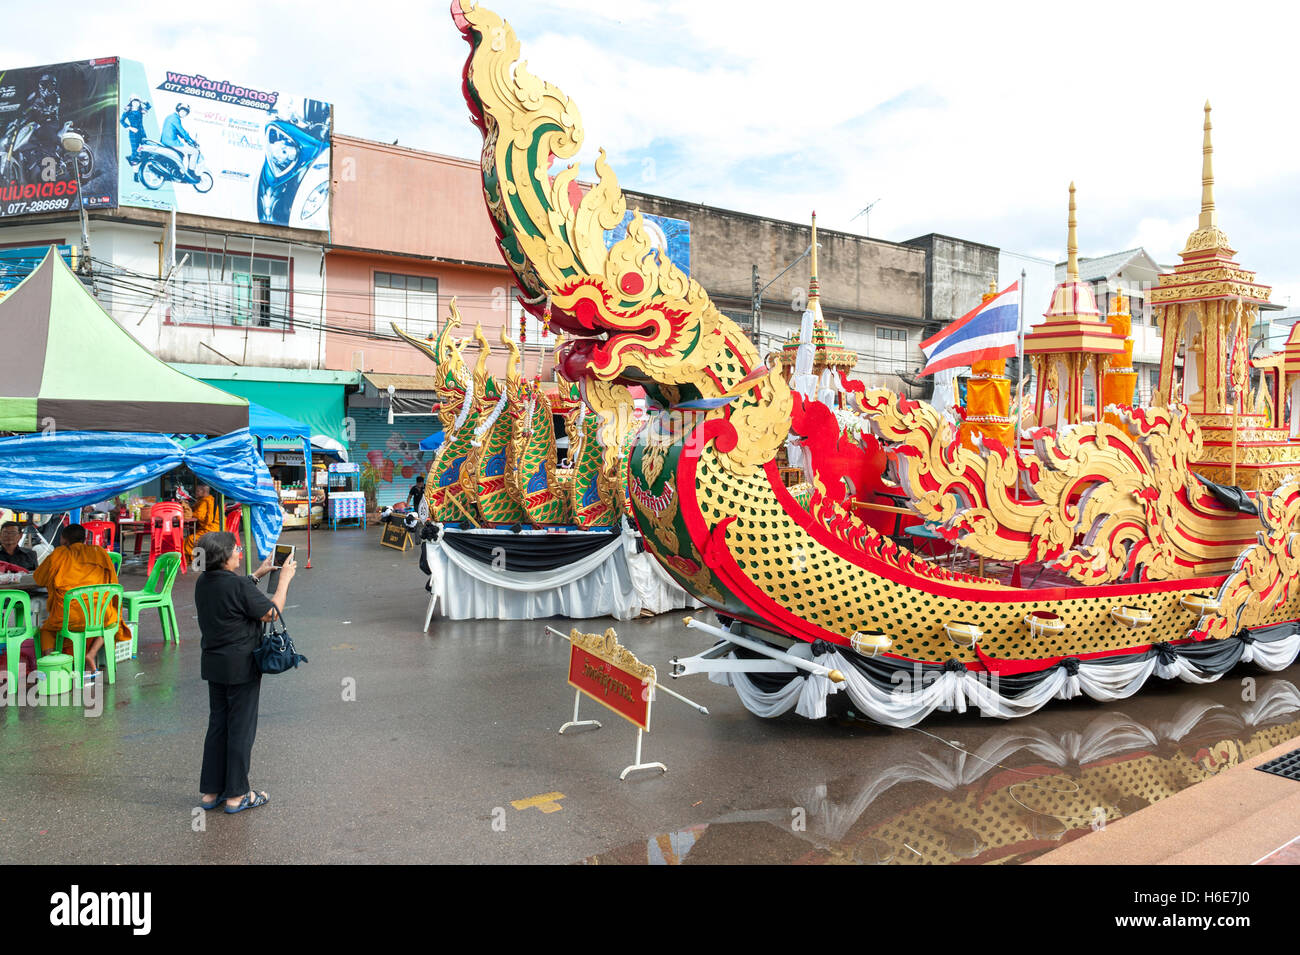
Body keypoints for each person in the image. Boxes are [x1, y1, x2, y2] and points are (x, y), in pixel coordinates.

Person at [195, 532, 295, 814]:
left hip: (214, 665)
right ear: (225, 557)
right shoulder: (237, 587)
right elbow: (272, 613)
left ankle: (211, 791)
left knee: (218, 726)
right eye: (236, 549)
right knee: (240, 729)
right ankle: (237, 795)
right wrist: (284, 579)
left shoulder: (204, 582)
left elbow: (234, 594)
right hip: (241, 666)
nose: (239, 552)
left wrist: (257, 574)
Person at [33, 523, 131, 679]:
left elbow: (39, 579)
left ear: (63, 540)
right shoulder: (99, 552)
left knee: (46, 630)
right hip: (99, 615)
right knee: (114, 619)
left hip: (68, 618)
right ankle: (91, 654)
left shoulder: (59, 554)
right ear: (85, 539)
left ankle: (52, 665)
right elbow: (113, 581)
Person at [183, 483, 221, 565]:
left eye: (197, 491)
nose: (195, 493)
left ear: (204, 492)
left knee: (190, 539)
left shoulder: (206, 501)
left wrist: (190, 512)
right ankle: (191, 559)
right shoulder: (206, 500)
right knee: (190, 537)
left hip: (211, 529)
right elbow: (197, 509)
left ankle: (189, 561)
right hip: (214, 527)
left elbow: (199, 516)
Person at [161, 102, 199, 177]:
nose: (184, 113)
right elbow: (182, 131)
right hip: (172, 142)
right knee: (195, 152)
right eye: (183, 111)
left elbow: (177, 131)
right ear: (178, 110)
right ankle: (191, 172)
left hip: (164, 141)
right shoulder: (175, 118)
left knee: (181, 154)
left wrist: (185, 138)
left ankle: (176, 170)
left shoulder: (170, 117)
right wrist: (191, 141)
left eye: (186, 112)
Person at [120, 96, 151, 166]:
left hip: (142, 131)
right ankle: (133, 162)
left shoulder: (141, 110)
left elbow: (149, 106)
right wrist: (130, 128)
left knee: (146, 145)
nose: (136, 103)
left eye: (137, 102)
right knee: (135, 150)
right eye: (134, 102)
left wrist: (143, 101)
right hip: (133, 133)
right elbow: (121, 121)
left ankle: (145, 161)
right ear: (131, 102)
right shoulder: (128, 111)